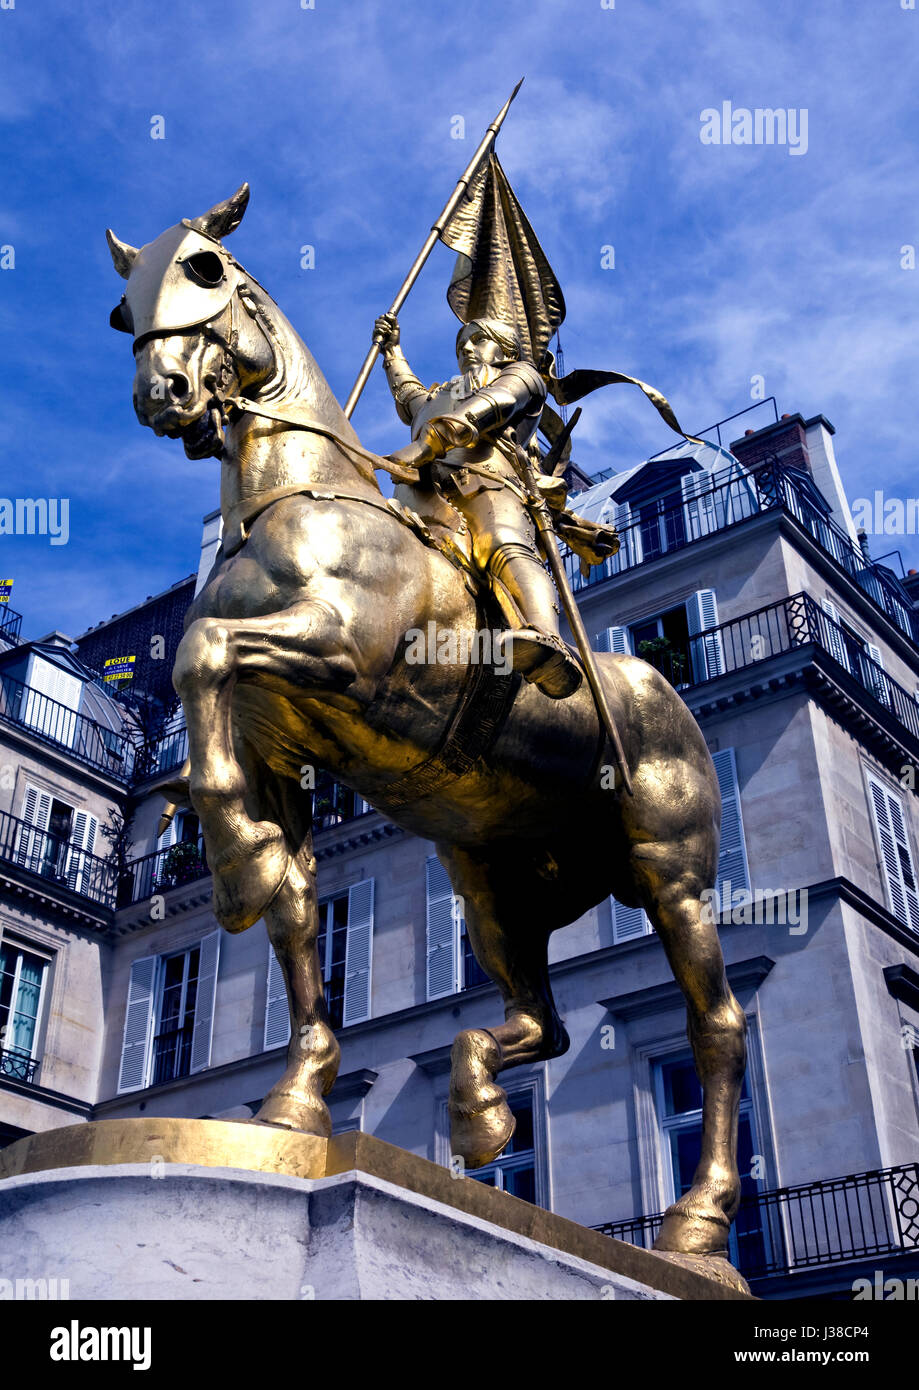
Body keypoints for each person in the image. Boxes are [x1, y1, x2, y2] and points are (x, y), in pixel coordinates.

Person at [375, 311, 584, 699]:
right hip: (423, 495)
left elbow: (492, 405)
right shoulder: (446, 392)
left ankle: (547, 641)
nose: (466, 349)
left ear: (504, 349)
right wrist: (392, 352)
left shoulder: (522, 377)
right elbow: (411, 397)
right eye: (460, 345)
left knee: (502, 543)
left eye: (477, 340)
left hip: (485, 485)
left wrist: (429, 443)